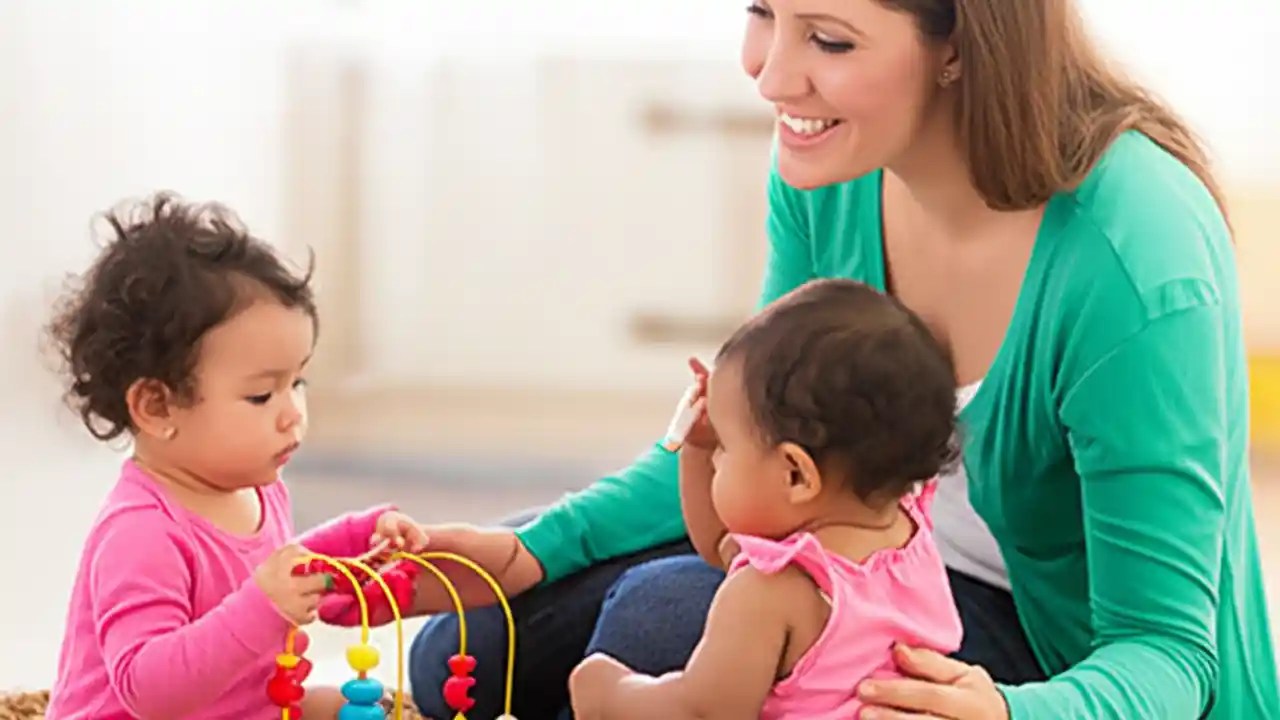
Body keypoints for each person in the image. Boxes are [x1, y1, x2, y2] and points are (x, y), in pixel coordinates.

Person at [405, 0, 1280, 718]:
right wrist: (529, 550)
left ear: (958, 44)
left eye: (826, 39)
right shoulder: (833, 164)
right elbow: (750, 441)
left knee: (663, 626)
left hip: (1044, 665)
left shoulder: (1135, 256)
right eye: (761, 13)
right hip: (848, 552)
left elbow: (1168, 652)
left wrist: (1009, 714)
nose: (772, 74)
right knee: (469, 645)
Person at [43, 193, 427, 719]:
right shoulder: (141, 533)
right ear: (156, 406)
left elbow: (278, 572)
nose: (293, 413)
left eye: (299, 382)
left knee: (358, 706)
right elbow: (149, 692)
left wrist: (357, 541)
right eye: (261, 396)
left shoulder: (257, 490)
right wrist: (262, 610)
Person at [567, 278, 966, 719]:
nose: (717, 459)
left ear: (796, 475)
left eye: (726, 448)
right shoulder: (908, 530)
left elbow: (701, 712)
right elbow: (721, 542)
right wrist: (699, 450)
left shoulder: (769, 592)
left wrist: (610, 693)